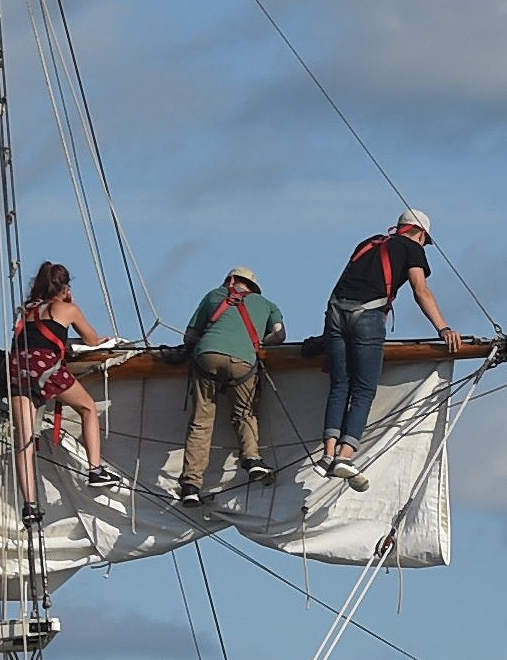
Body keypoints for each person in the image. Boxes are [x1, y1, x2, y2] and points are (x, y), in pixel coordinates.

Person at [315, 209, 458, 480]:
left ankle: (327, 453)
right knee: (364, 389)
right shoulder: (412, 248)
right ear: (421, 233)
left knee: (340, 385)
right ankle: (345, 456)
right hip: (367, 316)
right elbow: (420, 289)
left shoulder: (368, 243)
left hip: (334, 314)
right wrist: (444, 328)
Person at [9, 262, 111, 520]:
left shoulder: (26, 310)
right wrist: (71, 303)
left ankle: (30, 505)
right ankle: (95, 470)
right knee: (87, 407)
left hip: (16, 368)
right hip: (45, 367)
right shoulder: (67, 309)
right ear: (65, 288)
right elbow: (91, 339)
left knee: (24, 439)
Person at [174, 265, 283, 504]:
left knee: (201, 422)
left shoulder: (213, 295)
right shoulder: (267, 304)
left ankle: (191, 485)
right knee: (245, 413)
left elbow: (189, 336)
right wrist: (256, 342)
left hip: (207, 356)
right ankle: (252, 459)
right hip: (242, 360)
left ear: (231, 280)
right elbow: (279, 334)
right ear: (255, 289)